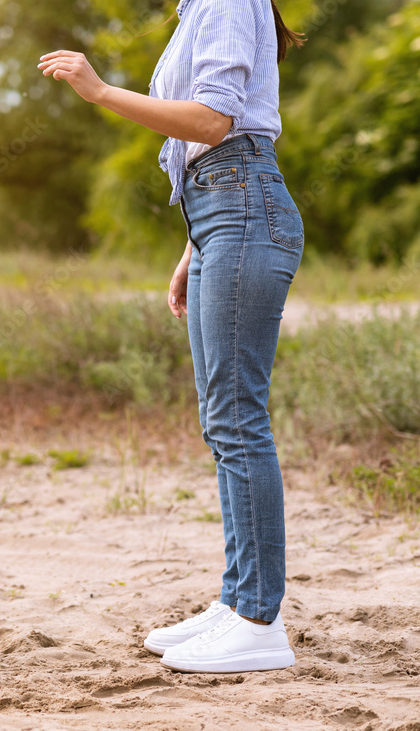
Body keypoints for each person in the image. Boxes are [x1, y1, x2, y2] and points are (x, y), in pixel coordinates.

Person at [39, 0, 305, 673]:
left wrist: (100, 91)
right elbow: (212, 138)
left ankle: (257, 621)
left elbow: (215, 122)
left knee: (239, 418)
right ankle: (237, 600)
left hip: (243, 207)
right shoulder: (198, 11)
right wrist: (194, 243)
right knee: (224, 420)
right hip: (221, 214)